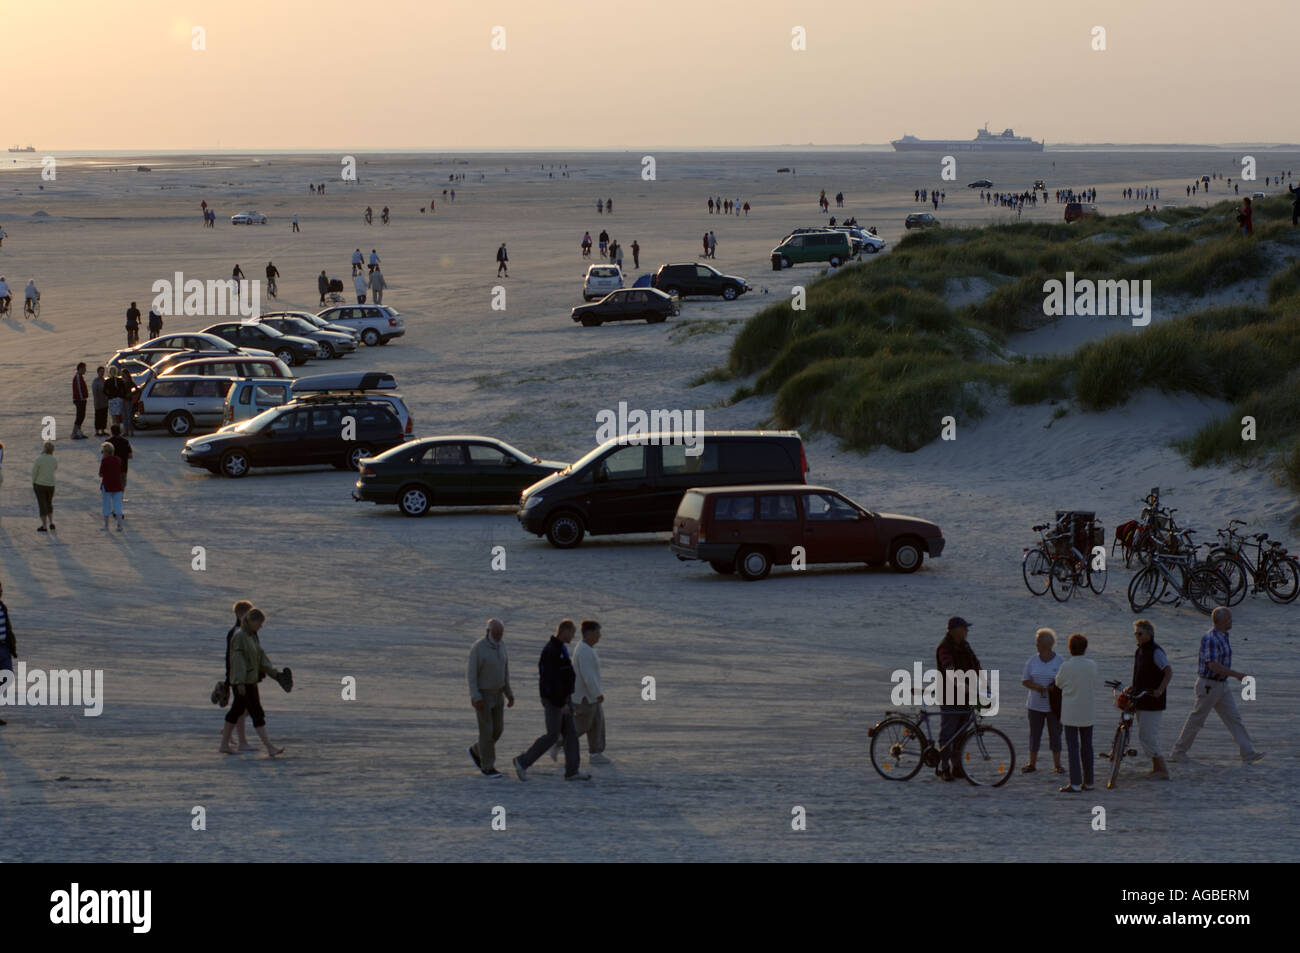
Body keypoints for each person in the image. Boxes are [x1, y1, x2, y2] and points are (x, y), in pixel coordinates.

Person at [1169, 607, 1263, 764]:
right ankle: (1178, 752)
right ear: (1219, 621)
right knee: (1197, 719)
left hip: (1221, 685)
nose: (1231, 621)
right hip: (1209, 685)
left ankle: (1248, 753)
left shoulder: (1223, 636)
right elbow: (1212, 665)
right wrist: (1237, 675)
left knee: (1234, 719)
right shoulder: (1211, 638)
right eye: (1228, 619)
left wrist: (1231, 676)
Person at [513, 619, 590, 782]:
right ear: (564, 630)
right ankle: (522, 761)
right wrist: (561, 703)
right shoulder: (551, 650)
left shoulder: (560, 649)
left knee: (571, 734)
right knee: (553, 735)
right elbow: (550, 681)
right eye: (572, 633)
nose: (573, 636)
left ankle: (572, 771)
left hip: (564, 699)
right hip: (555, 701)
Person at [219, 608, 285, 757]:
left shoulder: (252, 636)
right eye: (260, 623)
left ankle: (224, 745)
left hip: (250, 681)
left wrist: (276, 675)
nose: (261, 626)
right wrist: (240, 682)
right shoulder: (239, 636)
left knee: (237, 711)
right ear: (252, 621)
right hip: (243, 683)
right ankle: (269, 747)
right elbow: (237, 661)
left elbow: (261, 659)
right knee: (256, 712)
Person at [467, 618, 515, 778]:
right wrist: (476, 697)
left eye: (501, 633)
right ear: (488, 632)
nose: (500, 636)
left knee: (498, 729)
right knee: (486, 732)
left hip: (498, 693)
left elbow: (505, 670)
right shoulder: (478, 648)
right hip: (483, 695)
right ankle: (487, 767)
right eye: (496, 633)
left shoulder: (502, 646)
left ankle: (476, 750)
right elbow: (471, 675)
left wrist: (509, 693)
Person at [935, 617, 981, 781]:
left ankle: (957, 767)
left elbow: (976, 664)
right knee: (948, 734)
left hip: (966, 697)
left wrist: (983, 683)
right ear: (955, 631)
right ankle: (944, 767)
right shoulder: (944, 648)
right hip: (950, 697)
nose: (967, 631)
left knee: (961, 734)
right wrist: (963, 686)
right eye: (964, 628)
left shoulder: (965, 646)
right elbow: (950, 670)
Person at [1127, 618, 1173, 780]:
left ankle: (1162, 770)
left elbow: (1168, 671)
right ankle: (1157, 769)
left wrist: (1160, 689)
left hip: (1153, 700)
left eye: (1140, 633)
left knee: (1148, 735)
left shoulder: (1155, 651)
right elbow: (1139, 675)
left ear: (1149, 634)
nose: (1137, 636)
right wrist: (1132, 688)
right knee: (1145, 735)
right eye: (1135, 633)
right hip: (1141, 699)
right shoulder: (1140, 651)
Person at [1054, 633, 1097, 793]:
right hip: (1087, 710)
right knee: (1087, 746)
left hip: (1071, 711)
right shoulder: (1092, 664)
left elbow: (1058, 683)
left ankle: (1075, 783)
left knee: (1073, 747)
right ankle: (1089, 781)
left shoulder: (1066, 666)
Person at [1020, 627, 1064, 774]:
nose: (1036, 644)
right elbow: (1025, 681)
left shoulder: (1060, 661)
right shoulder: (1032, 661)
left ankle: (1057, 765)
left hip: (1054, 705)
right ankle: (1032, 763)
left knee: (1055, 734)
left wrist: (1053, 687)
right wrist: (1036, 687)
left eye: (1038, 641)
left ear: (1047, 644)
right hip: (1035, 705)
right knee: (1035, 734)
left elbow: (1064, 682)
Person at [571, 620, 609, 765]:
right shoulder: (584, 651)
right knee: (582, 726)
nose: (600, 636)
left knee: (597, 723)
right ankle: (557, 743)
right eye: (598, 632)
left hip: (591, 696)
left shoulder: (588, 649)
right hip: (585, 697)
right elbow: (588, 676)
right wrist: (597, 693)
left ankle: (596, 753)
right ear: (589, 633)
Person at [224, 600, 257, 751]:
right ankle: (241, 741)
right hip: (239, 677)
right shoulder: (235, 632)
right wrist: (230, 679)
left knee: (244, 710)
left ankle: (228, 730)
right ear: (238, 614)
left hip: (247, 676)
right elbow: (230, 658)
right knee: (241, 708)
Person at [0, 578, 16, 725]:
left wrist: (12, 645)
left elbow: (8, 627)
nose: (0, 592)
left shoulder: (2, 607)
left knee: (8, 676)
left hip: (4, 648)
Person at [98, 442, 124, 532]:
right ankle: (119, 525)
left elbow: (100, 474)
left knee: (106, 505)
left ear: (105, 452)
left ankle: (106, 525)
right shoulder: (118, 459)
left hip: (107, 485)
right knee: (118, 505)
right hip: (117, 485)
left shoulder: (104, 461)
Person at [32, 441, 56, 533]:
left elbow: (34, 472)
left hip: (40, 484)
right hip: (51, 484)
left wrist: (33, 482)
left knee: (42, 505)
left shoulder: (39, 459)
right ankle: (51, 522)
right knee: (49, 503)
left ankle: (44, 525)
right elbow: (55, 468)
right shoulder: (54, 459)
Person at [108, 424, 132, 497]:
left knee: (112, 482)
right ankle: (120, 496)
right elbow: (130, 455)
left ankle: (113, 496)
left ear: (111, 432)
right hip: (123, 466)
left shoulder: (108, 442)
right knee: (122, 482)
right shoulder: (125, 442)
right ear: (120, 432)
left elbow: (104, 454)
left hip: (111, 467)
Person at [71, 363, 89, 440]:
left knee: (81, 416)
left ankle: (78, 432)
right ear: (80, 368)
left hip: (81, 399)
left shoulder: (80, 377)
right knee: (79, 417)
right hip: (79, 400)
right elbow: (79, 389)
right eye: (84, 368)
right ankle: (74, 433)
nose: (85, 370)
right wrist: (82, 398)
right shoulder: (78, 377)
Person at [118, 365, 136, 436]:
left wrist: (131, 393)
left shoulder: (130, 382)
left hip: (128, 400)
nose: (122, 375)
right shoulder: (121, 382)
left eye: (123, 374)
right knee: (124, 417)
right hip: (123, 400)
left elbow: (136, 389)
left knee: (129, 416)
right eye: (122, 374)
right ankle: (126, 431)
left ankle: (131, 431)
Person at [91, 366, 109, 436]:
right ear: (98, 372)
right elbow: (95, 392)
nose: (102, 373)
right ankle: (97, 431)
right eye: (101, 371)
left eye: (103, 372)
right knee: (98, 416)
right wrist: (96, 401)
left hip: (105, 401)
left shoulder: (104, 380)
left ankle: (103, 430)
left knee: (104, 416)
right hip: (98, 402)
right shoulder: (95, 381)